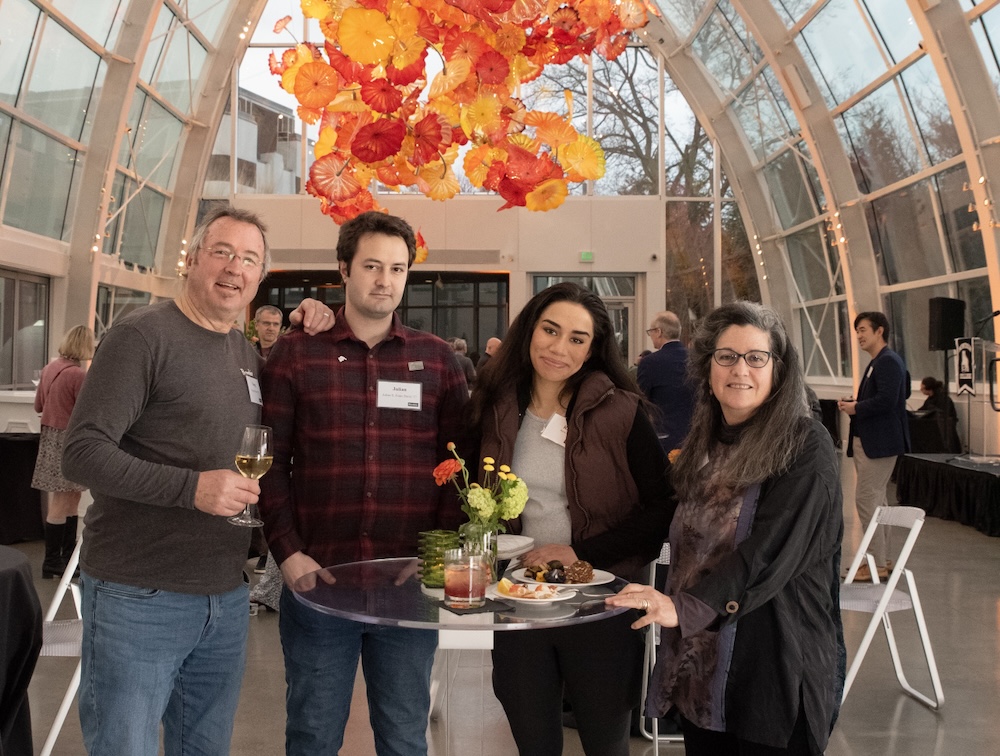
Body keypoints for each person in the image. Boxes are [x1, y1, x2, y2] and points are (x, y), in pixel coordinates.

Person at [62, 206, 334, 756]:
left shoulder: (245, 354)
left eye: (250, 259)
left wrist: (321, 321)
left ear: (261, 279)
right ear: (192, 259)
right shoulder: (142, 336)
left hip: (225, 598)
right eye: (223, 252)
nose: (235, 268)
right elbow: (82, 454)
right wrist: (191, 489)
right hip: (139, 593)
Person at [258, 211, 469, 756]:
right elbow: (270, 462)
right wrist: (288, 553)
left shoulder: (439, 361)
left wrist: (437, 558)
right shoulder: (295, 356)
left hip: (406, 587)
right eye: (372, 265)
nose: (385, 280)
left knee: (403, 737)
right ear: (343, 269)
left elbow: (456, 468)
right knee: (311, 734)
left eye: (397, 268)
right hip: (318, 582)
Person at [608, 300, 844, 756]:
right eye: (727, 356)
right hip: (703, 668)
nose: (741, 370)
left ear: (778, 368)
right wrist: (581, 554)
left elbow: (768, 552)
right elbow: (663, 518)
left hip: (772, 662)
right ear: (707, 366)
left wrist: (685, 608)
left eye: (756, 357)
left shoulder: (804, 445)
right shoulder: (705, 441)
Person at [467, 282, 675, 756]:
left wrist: (579, 555)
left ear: (593, 349)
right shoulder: (495, 404)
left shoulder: (620, 411)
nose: (559, 348)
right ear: (530, 331)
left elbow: (665, 506)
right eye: (550, 330)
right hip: (519, 600)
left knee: (606, 742)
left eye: (577, 339)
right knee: (533, 740)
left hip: (600, 602)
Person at [838, 311, 910, 582]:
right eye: (856, 330)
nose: (858, 335)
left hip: (878, 442)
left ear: (880, 331)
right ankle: (883, 559)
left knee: (866, 500)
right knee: (877, 501)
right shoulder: (880, 362)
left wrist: (855, 407)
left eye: (863, 329)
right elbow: (903, 392)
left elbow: (888, 400)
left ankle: (876, 563)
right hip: (874, 440)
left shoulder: (887, 361)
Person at [31, 325, 94, 578]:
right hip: (68, 440)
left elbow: (38, 405)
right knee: (63, 501)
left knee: (69, 497)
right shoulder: (78, 375)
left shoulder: (50, 369)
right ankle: (53, 561)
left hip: (50, 438)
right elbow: (86, 412)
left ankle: (64, 559)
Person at [638, 310, 695, 453]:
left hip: (663, 439)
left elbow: (640, 402)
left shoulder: (650, 363)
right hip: (696, 438)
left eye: (650, 331)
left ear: (658, 332)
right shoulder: (696, 360)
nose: (650, 336)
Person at [919, 376, 961, 453]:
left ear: (928, 388)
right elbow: (922, 410)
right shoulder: (930, 399)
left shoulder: (943, 399)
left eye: (922, 388)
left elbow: (942, 414)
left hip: (944, 430)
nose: (920, 390)